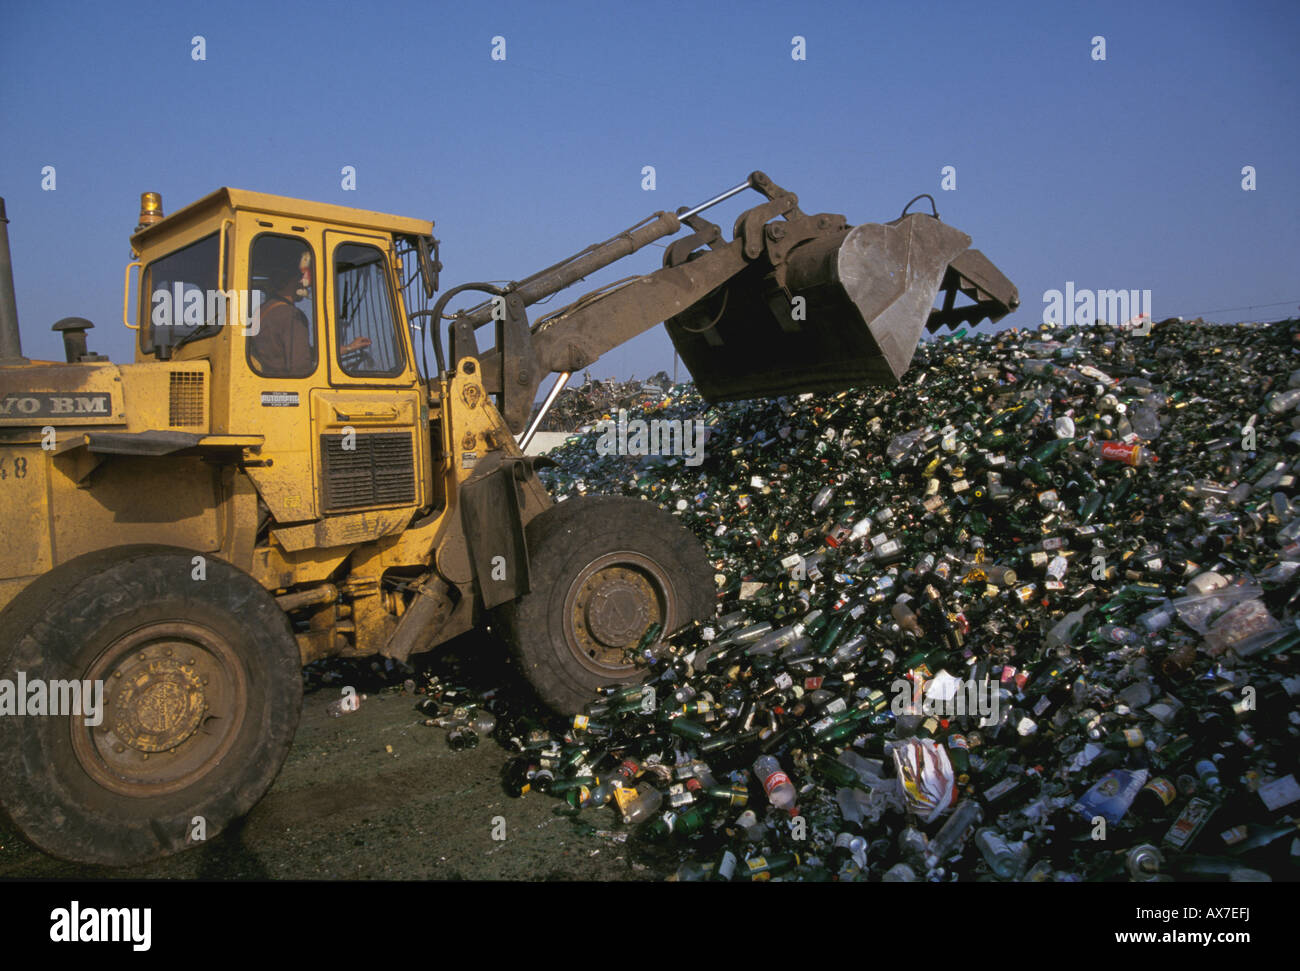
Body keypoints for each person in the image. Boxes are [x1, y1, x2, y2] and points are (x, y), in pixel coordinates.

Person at [251, 262, 314, 376]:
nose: (305, 285)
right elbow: (300, 366)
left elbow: (278, 352)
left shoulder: (261, 311)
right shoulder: (291, 315)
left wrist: (348, 348)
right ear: (293, 282)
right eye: (302, 279)